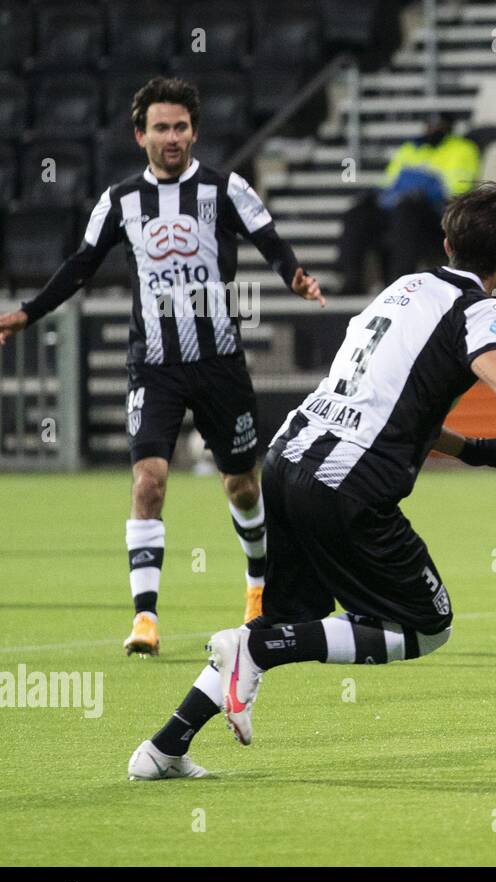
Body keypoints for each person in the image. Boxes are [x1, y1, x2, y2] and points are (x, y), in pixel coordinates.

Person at [126, 183, 496, 780]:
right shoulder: (481, 308)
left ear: (447, 243)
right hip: (346, 486)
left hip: (287, 460)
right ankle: (261, 651)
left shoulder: (401, 289)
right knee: (427, 625)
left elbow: (387, 396)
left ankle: (164, 747)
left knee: (286, 616)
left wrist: (470, 448)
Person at [0, 77, 326, 656]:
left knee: (243, 486)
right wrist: (28, 313)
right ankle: (145, 619)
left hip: (220, 361)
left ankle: (257, 589)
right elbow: (81, 265)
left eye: (180, 127)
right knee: (149, 480)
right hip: (152, 365)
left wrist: (295, 277)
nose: (172, 137)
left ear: (194, 131)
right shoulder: (121, 201)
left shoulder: (225, 188)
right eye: (161, 128)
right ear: (140, 135)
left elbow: (268, 238)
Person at [336, 116, 481, 293]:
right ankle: (351, 278)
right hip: (397, 208)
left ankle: (398, 281)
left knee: (407, 211)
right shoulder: (409, 149)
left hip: (436, 213)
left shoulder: (463, 149)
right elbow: (388, 184)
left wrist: (424, 191)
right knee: (358, 213)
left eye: (438, 124)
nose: (432, 128)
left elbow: (459, 188)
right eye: (430, 124)